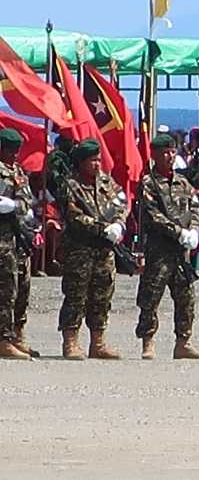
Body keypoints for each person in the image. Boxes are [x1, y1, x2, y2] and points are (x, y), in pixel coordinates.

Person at [136, 134, 199, 360]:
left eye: (173, 151)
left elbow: (195, 209)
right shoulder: (149, 183)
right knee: (151, 297)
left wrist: (194, 229)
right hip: (159, 249)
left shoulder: (182, 182)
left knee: (186, 296)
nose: (170, 156)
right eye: (165, 152)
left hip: (180, 253)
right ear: (155, 155)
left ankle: (183, 342)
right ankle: (148, 342)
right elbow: (153, 215)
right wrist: (179, 233)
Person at [57, 139, 127, 360]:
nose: (97, 164)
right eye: (92, 161)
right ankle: (71, 342)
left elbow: (121, 204)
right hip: (80, 249)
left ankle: (98, 343)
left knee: (102, 296)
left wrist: (119, 224)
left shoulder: (106, 182)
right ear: (81, 162)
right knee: (76, 295)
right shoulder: (70, 185)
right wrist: (102, 228)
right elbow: (74, 216)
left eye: (98, 160)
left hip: (104, 251)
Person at [0, 129, 35, 359]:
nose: (15, 154)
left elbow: (27, 200)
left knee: (19, 288)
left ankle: (13, 335)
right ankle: (3, 340)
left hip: (15, 238)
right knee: (4, 290)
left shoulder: (18, 172)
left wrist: (14, 205)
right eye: (11, 150)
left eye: (17, 150)